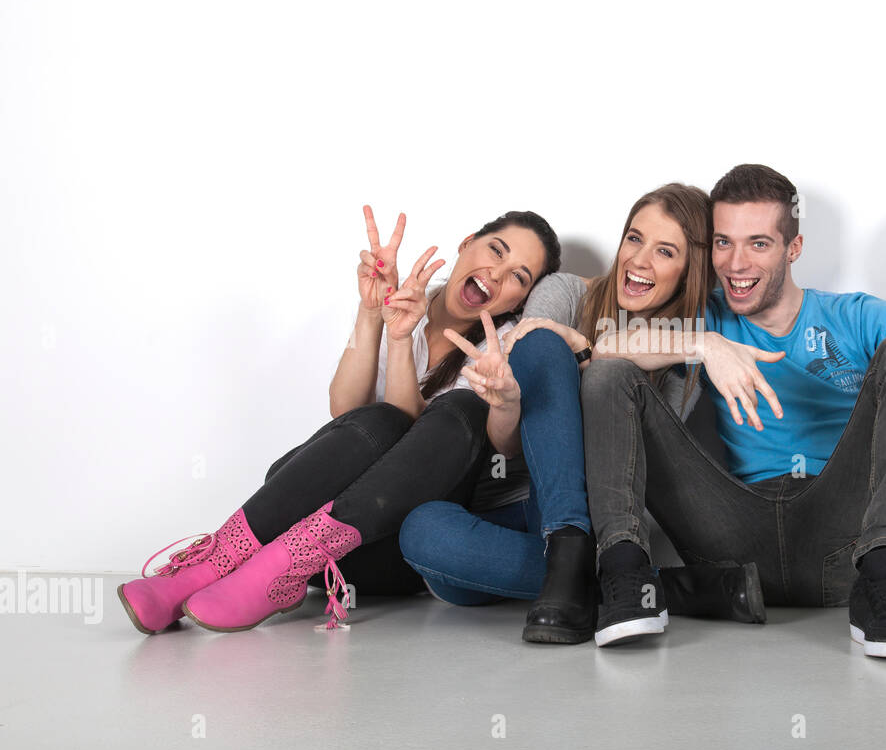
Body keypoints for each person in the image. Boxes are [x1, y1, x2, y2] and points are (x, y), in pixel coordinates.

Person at [117, 206, 560, 634]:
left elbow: (414, 437)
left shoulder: (501, 346)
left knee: (458, 409)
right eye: (496, 251)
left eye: (519, 276)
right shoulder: (408, 300)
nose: (498, 274)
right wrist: (371, 312)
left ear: (523, 296)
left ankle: (279, 569)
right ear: (467, 244)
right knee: (343, 440)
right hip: (340, 532)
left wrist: (402, 341)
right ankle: (203, 571)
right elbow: (348, 414)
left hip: (401, 537)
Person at [580, 164, 886, 655]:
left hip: (842, 530)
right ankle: (626, 580)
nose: (735, 263)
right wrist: (705, 344)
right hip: (732, 533)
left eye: (758, 243)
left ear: (792, 249)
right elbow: (606, 348)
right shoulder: (701, 313)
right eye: (723, 243)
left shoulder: (853, 313)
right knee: (609, 372)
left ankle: (885, 581)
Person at [398, 184, 766, 644]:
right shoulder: (566, 292)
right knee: (422, 531)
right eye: (634, 239)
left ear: (689, 269)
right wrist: (579, 351)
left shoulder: (684, 358)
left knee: (578, 361)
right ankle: (657, 586)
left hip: (608, 519)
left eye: (665, 251)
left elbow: (643, 466)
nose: (640, 260)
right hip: (537, 505)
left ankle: (583, 574)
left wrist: (690, 345)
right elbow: (524, 363)